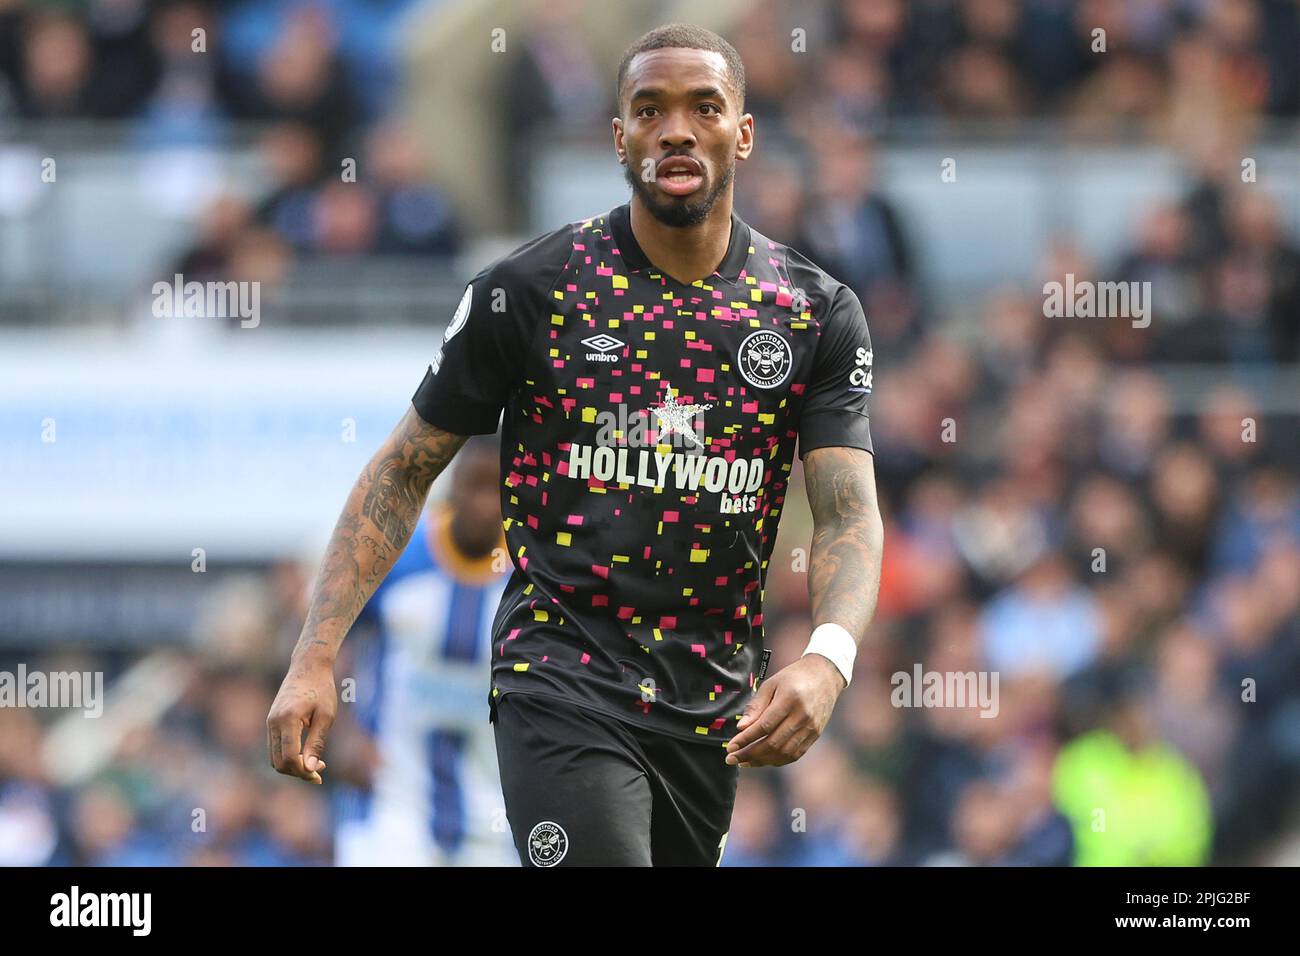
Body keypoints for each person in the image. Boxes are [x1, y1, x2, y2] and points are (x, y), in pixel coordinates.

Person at [268, 23, 885, 867]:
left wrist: (828, 659)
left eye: (705, 106)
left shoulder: (813, 312)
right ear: (619, 136)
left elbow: (849, 509)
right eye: (649, 109)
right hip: (558, 679)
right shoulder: (529, 291)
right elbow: (403, 471)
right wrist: (314, 656)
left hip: (711, 705)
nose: (676, 128)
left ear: (742, 132)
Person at [331, 436, 517, 866]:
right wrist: (344, 732)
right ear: (453, 485)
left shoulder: (528, 579)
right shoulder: (398, 558)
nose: (485, 504)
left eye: (498, 491)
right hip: (392, 812)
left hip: (492, 823)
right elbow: (332, 644)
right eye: (475, 485)